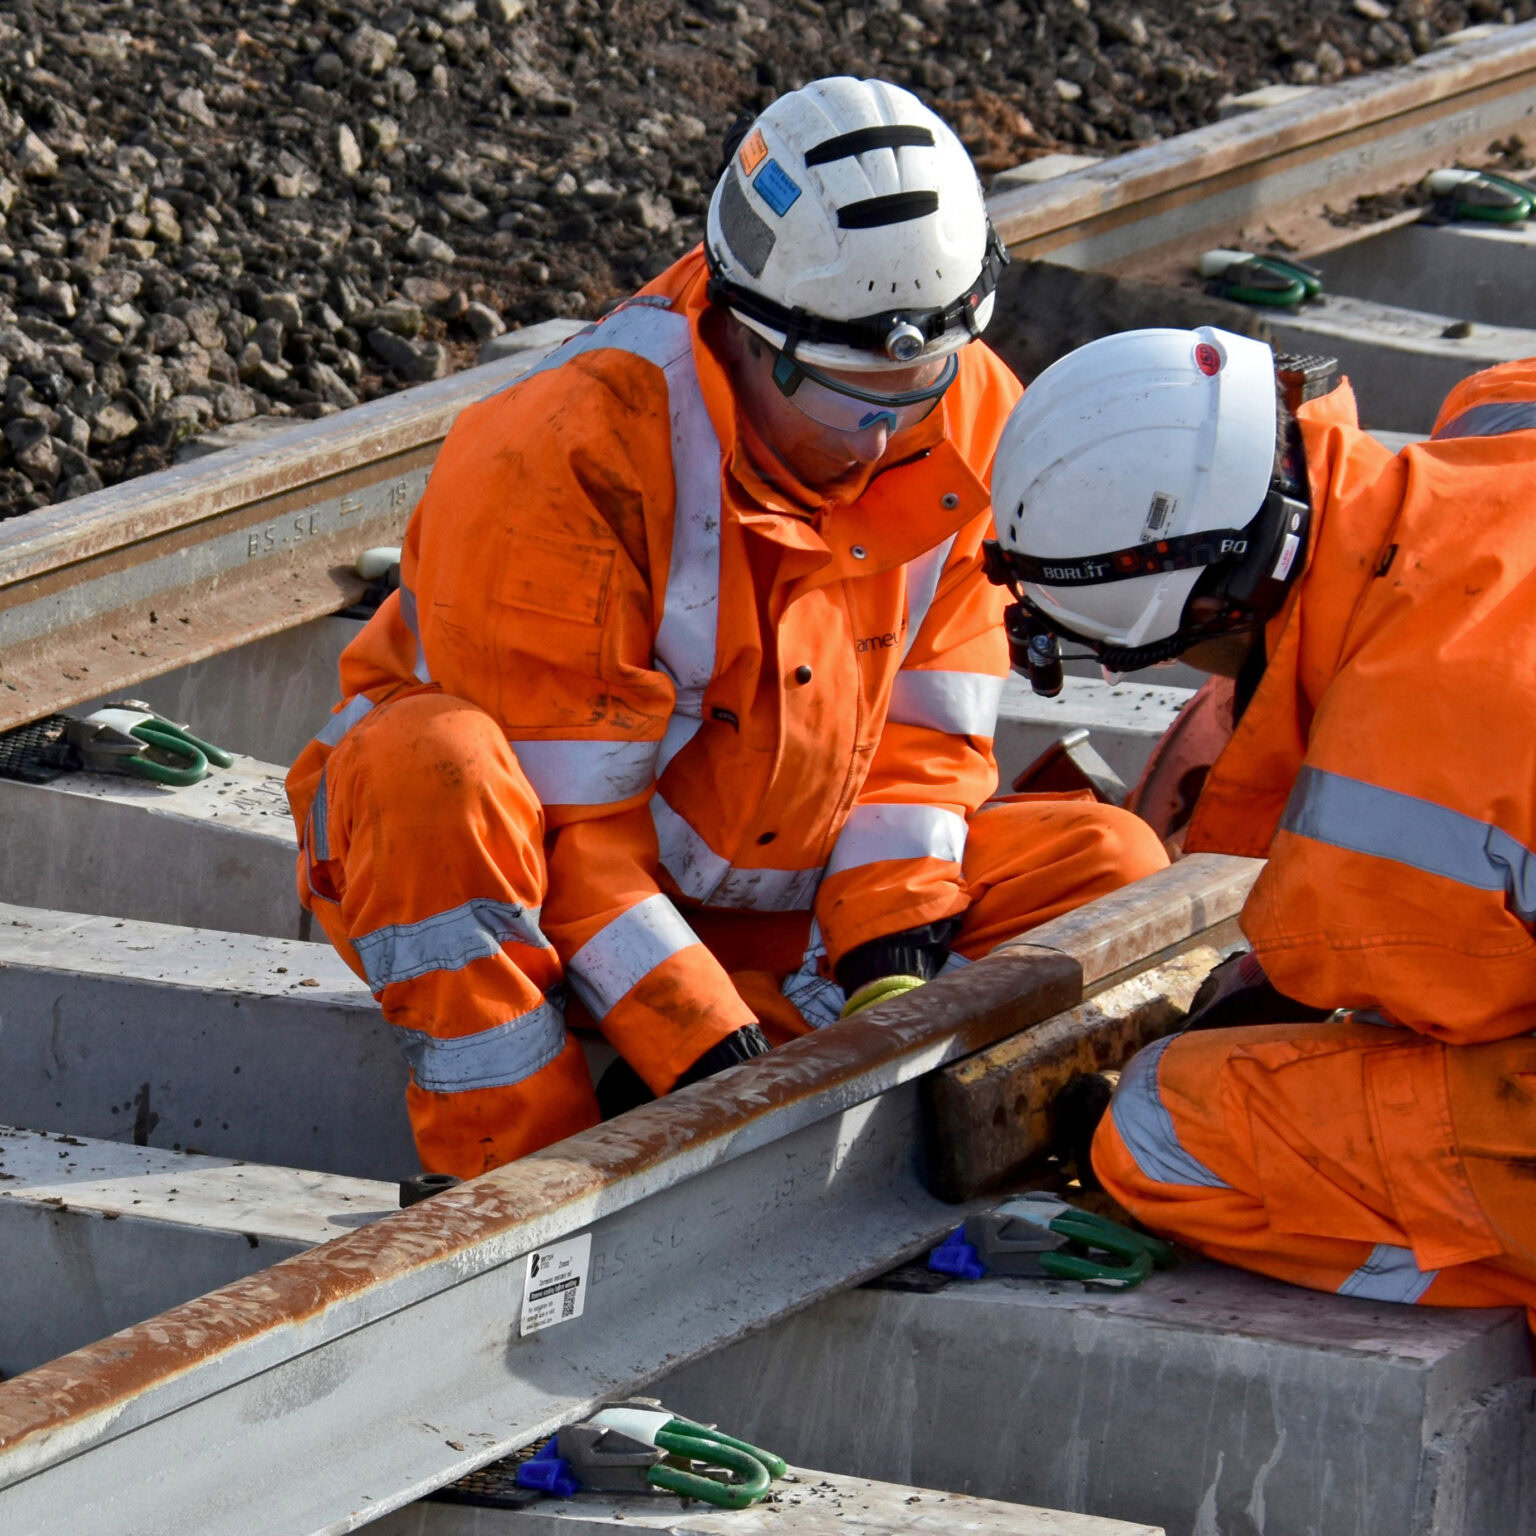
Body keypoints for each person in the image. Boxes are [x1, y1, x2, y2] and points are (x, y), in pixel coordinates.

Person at [285, 77, 1167, 1180]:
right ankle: (517, 1179)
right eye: (849, 399)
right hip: (553, 895)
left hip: (784, 897)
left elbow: (928, 739)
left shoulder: (968, 409)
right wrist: (706, 1052)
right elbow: (572, 838)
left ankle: (713, 1078)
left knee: (1114, 867)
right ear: (753, 334)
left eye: (917, 386)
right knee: (432, 772)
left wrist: (890, 956)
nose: (881, 438)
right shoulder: (569, 455)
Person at [985, 323, 1536, 1324]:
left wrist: (1273, 986)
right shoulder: (1497, 425)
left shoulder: (1400, 774)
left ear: (1216, 622)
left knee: (1161, 1130)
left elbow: (1421, 1006)